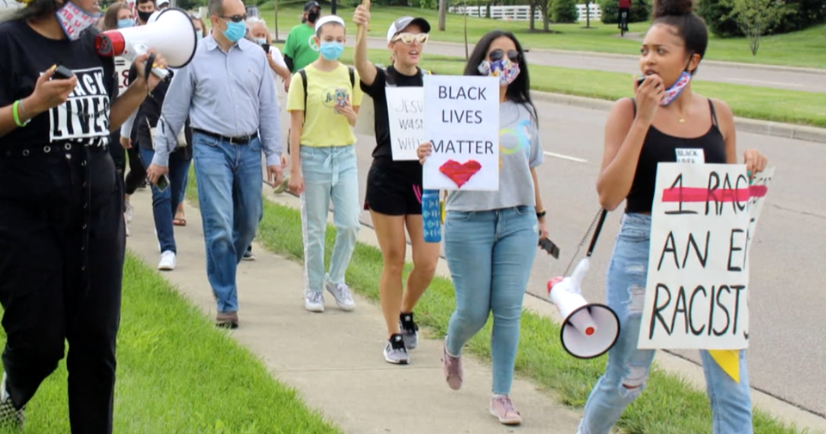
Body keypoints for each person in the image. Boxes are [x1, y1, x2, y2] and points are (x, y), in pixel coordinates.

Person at [574, 1, 768, 433]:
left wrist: (748, 174)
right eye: (644, 50)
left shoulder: (720, 114)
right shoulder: (627, 111)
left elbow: (729, 201)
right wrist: (643, 120)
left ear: (692, 60)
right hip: (643, 250)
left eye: (661, 51)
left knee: (731, 381)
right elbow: (608, 196)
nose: (647, 58)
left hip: (707, 255)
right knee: (628, 378)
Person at [0, 0, 167, 428]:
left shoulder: (95, 46)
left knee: (96, 343)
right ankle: (12, 387)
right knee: (37, 340)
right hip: (27, 214)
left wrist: (141, 88)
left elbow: (101, 121)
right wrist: (31, 104)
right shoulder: (9, 43)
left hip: (98, 210)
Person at [417, 30, 548, 426]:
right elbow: (437, 165)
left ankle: (501, 395)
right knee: (473, 310)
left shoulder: (524, 111)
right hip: (468, 218)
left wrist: (540, 216)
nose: (505, 61)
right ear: (480, 60)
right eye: (496, 54)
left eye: (512, 55)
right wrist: (426, 153)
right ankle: (453, 347)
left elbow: (532, 167)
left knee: (508, 309)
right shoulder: (454, 105)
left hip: (517, 220)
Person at [145, 0, 283, 329]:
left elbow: (268, 108)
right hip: (209, 147)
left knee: (249, 220)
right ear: (217, 20)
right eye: (236, 18)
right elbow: (173, 111)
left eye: (244, 17)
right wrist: (161, 157)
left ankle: (223, 268)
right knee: (219, 225)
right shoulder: (194, 59)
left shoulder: (254, 57)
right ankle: (226, 301)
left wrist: (274, 156)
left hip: (249, 147)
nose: (242, 23)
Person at [352, 9, 439, 365]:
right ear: (392, 46)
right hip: (387, 179)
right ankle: (392, 336)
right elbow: (361, 65)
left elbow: (449, 132)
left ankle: (406, 311)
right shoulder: (382, 80)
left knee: (428, 262)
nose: (414, 45)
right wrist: (362, 30)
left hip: (426, 184)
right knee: (394, 259)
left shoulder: (433, 82)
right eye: (407, 39)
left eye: (421, 39)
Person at [287, 15, 361, 314]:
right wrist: (295, 170)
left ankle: (336, 278)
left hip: (344, 156)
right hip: (314, 156)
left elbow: (356, 118)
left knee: (350, 224)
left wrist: (347, 113)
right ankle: (314, 288)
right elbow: (295, 126)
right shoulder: (302, 78)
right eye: (328, 39)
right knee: (315, 229)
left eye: (339, 39)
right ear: (316, 42)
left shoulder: (351, 75)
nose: (333, 44)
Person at [129, 12, 194, 271]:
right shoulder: (143, 59)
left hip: (183, 137)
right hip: (150, 135)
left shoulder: (188, 61)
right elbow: (134, 97)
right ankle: (168, 248)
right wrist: (125, 132)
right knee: (161, 190)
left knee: (176, 191)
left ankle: (163, 225)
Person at [120, 0, 157, 236]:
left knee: (143, 169)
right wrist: (124, 132)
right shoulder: (128, 44)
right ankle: (121, 204)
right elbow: (133, 92)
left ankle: (125, 196)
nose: (145, 8)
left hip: (153, 119)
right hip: (131, 118)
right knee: (127, 165)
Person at [283, 0, 320, 73]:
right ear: (306, 15)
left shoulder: (322, 31)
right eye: (313, 10)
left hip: (319, 76)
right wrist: (287, 76)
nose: (315, 13)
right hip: (301, 76)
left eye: (317, 10)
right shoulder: (296, 31)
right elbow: (288, 57)